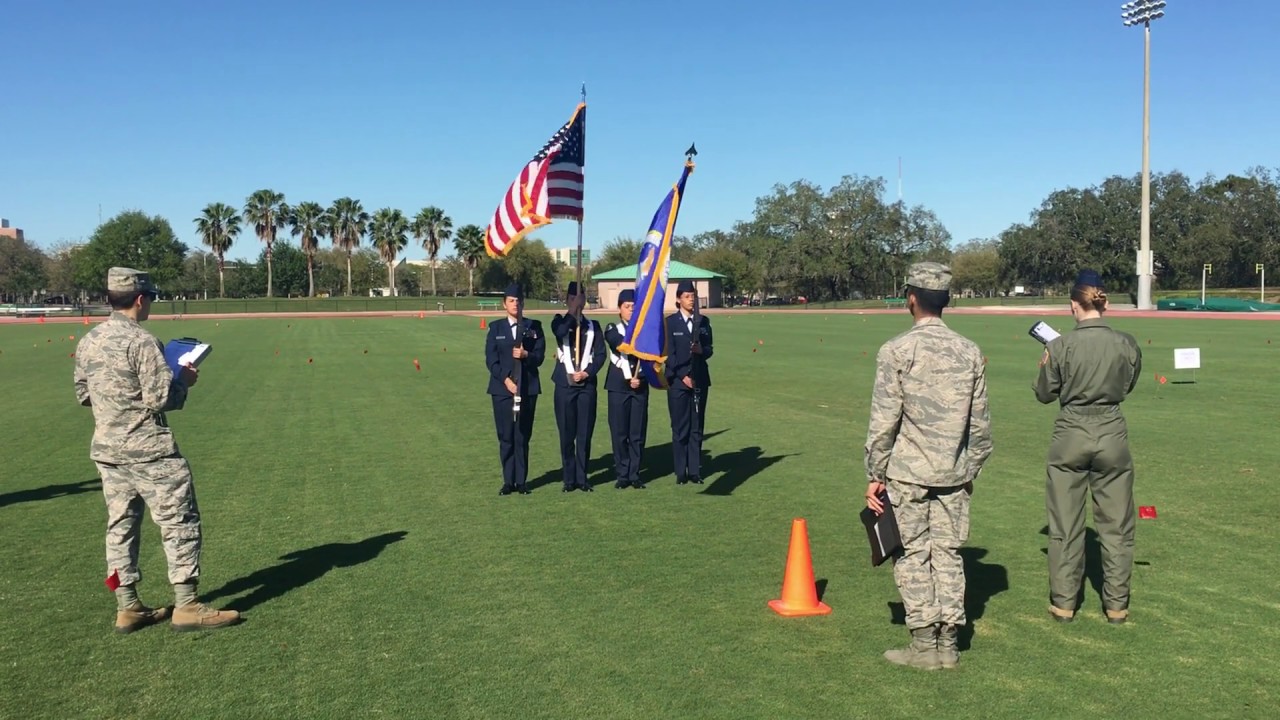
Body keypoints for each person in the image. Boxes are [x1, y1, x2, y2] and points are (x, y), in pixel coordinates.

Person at [74, 267, 240, 633]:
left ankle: (127, 604)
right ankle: (187, 604)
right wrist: (184, 382)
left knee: (120, 527)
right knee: (179, 522)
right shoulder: (143, 342)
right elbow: (161, 398)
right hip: (150, 450)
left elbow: (84, 394)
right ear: (139, 299)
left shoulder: (89, 340)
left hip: (108, 450)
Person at [864, 262, 993, 670]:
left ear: (911, 298)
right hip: (953, 473)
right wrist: (968, 469)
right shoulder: (969, 351)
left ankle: (924, 646)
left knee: (914, 555)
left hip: (909, 474)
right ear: (948, 300)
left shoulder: (897, 350)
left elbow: (884, 421)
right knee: (950, 555)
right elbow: (982, 429)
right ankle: (949, 645)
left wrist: (874, 474)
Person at [1034, 269, 1142, 625]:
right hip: (1111, 428)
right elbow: (1127, 386)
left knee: (1065, 524)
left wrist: (1047, 366)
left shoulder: (1060, 346)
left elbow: (1044, 394)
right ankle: (1116, 605)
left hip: (1071, 431)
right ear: (1104, 303)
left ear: (1072, 306)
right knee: (1117, 525)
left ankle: (1064, 603)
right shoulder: (1126, 343)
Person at [485, 283, 546, 495]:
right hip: (502, 391)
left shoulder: (534, 327)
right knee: (506, 436)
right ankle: (508, 481)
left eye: (518, 301)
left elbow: (539, 357)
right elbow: (491, 360)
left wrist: (526, 355)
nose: (515, 304)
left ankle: (522, 481)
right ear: (504, 304)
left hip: (527, 389)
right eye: (511, 301)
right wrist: (506, 380)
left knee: (522, 436)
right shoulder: (495, 328)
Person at [550, 281, 606, 492]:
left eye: (581, 298)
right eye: (573, 298)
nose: (578, 302)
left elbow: (601, 354)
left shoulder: (594, 327)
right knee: (567, 434)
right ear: (567, 300)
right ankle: (569, 479)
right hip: (564, 386)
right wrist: (572, 313)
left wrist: (588, 372)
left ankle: (582, 478)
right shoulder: (558, 321)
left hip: (586, 386)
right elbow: (561, 332)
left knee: (584, 434)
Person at [664, 280, 714, 485]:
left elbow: (710, 348)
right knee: (680, 427)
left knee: (696, 427)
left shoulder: (703, 321)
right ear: (678, 299)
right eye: (686, 296)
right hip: (678, 381)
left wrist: (702, 351)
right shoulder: (670, 323)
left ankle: (694, 470)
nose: (691, 299)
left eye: (693, 296)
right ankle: (680, 472)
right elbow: (668, 353)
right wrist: (683, 375)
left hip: (700, 379)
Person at [604, 288, 649, 489]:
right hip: (618, 386)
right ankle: (622, 474)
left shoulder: (646, 331)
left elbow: (651, 359)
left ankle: (634, 473)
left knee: (637, 433)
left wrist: (641, 376)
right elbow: (618, 344)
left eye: (634, 307)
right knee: (620, 432)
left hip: (639, 386)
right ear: (619, 309)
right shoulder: (613, 328)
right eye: (627, 307)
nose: (631, 310)